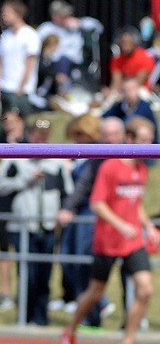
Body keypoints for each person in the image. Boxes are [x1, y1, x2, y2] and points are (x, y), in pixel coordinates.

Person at [62, 117, 159, 344]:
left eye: (151, 141)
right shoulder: (110, 166)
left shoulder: (141, 168)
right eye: (144, 141)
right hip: (108, 240)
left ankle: (127, 342)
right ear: (130, 140)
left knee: (146, 289)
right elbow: (97, 203)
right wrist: (121, 225)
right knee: (95, 292)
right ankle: (70, 331)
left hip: (133, 241)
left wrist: (148, 227)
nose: (149, 145)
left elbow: (134, 203)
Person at [0, 119, 73, 326]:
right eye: (37, 134)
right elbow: (0, 186)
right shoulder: (16, 158)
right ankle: (24, 317)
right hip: (23, 227)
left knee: (44, 275)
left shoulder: (56, 162)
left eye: (45, 134)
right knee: (27, 275)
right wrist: (25, 180)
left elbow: (68, 192)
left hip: (47, 226)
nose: (40, 138)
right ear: (29, 134)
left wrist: (64, 211)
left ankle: (41, 319)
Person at [56, 115, 121, 325]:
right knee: (69, 259)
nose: (110, 139)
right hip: (86, 210)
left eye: (114, 135)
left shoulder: (124, 158)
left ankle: (97, 308)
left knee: (85, 262)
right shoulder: (96, 155)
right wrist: (69, 208)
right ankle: (97, 304)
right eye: (106, 135)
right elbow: (84, 184)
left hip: (101, 214)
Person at [0, 107, 27, 313]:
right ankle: (5, 293)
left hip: (23, 202)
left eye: (13, 121)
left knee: (23, 249)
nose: (9, 126)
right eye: (6, 122)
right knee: (4, 250)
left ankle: (24, 292)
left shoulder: (29, 144)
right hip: (3, 202)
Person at [0, 0, 40, 120]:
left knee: (20, 125)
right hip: (4, 88)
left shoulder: (30, 35)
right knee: (3, 125)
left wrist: (21, 88)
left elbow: (30, 64)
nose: (4, 15)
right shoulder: (4, 36)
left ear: (18, 14)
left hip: (22, 91)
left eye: (7, 12)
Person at [107, 27, 154, 96]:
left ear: (134, 43)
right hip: (122, 90)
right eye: (123, 42)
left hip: (139, 90)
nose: (125, 45)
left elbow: (138, 81)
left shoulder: (145, 57)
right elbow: (116, 82)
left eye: (128, 42)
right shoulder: (116, 60)